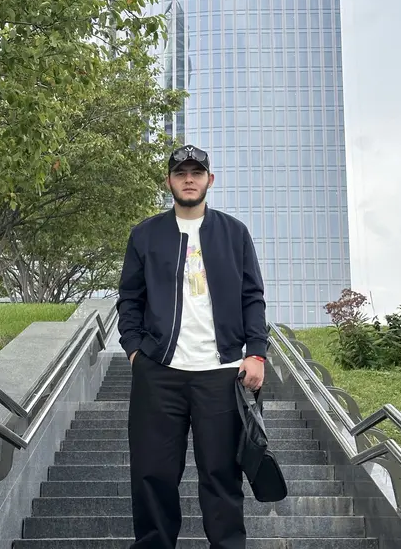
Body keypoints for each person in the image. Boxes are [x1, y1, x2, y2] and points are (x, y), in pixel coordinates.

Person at [117, 144, 270, 549]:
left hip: (220, 374)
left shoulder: (234, 233)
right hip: (159, 373)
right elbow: (129, 299)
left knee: (222, 477)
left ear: (209, 180)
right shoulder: (145, 234)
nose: (189, 179)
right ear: (168, 181)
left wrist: (256, 352)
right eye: (181, 173)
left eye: (196, 173)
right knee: (152, 475)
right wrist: (135, 352)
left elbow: (252, 297)